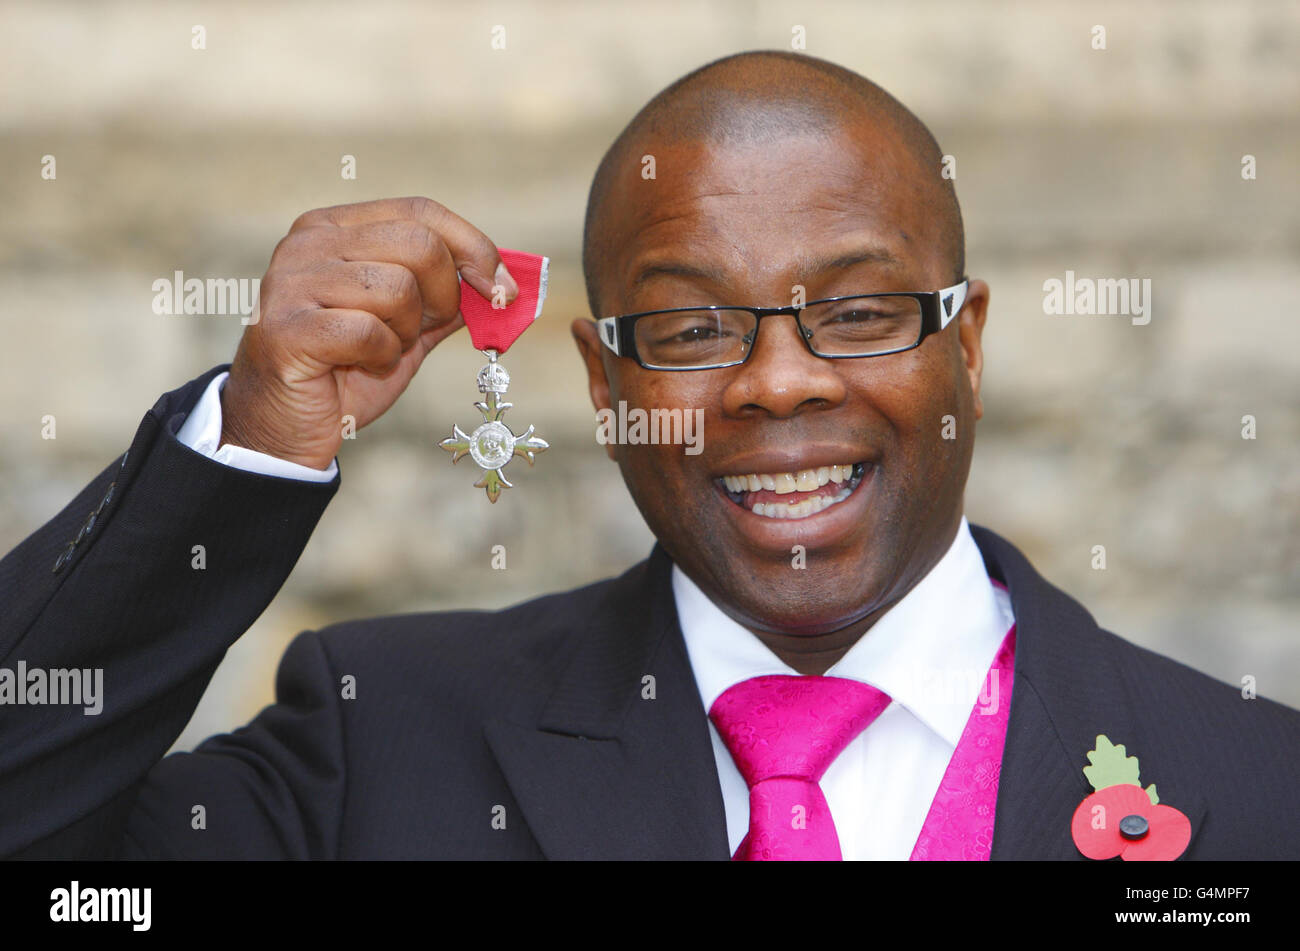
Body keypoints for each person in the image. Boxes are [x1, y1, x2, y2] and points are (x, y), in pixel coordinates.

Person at [2, 50, 1296, 861]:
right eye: (689, 326)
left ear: (970, 345)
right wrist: (243, 449)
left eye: (857, 311)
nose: (778, 380)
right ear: (600, 377)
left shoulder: (1257, 786)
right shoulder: (382, 743)